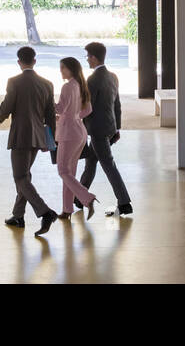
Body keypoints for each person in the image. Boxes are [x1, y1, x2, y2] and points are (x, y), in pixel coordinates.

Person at [0, 45, 59, 236]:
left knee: (20, 177)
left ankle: (45, 212)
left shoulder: (14, 82)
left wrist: (1, 114)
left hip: (20, 135)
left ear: (19, 62)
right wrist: (51, 140)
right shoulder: (47, 84)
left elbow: (8, 105)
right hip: (38, 136)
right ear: (34, 61)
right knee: (25, 175)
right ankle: (18, 215)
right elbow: (50, 115)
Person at [77, 41, 133, 216]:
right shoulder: (112, 76)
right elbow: (117, 104)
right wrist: (116, 128)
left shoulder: (92, 80)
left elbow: (87, 107)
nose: (87, 60)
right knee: (91, 163)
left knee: (108, 165)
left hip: (97, 130)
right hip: (108, 127)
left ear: (93, 57)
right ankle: (80, 197)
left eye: (88, 56)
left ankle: (124, 202)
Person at [54, 57, 98, 219]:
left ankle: (87, 198)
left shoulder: (67, 87)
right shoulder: (80, 85)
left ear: (71, 69)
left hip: (68, 134)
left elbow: (59, 108)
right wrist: (72, 116)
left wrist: (46, 104)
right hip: (80, 132)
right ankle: (67, 209)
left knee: (63, 171)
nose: (61, 71)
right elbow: (88, 110)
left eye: (63, 68)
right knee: (69, 172)